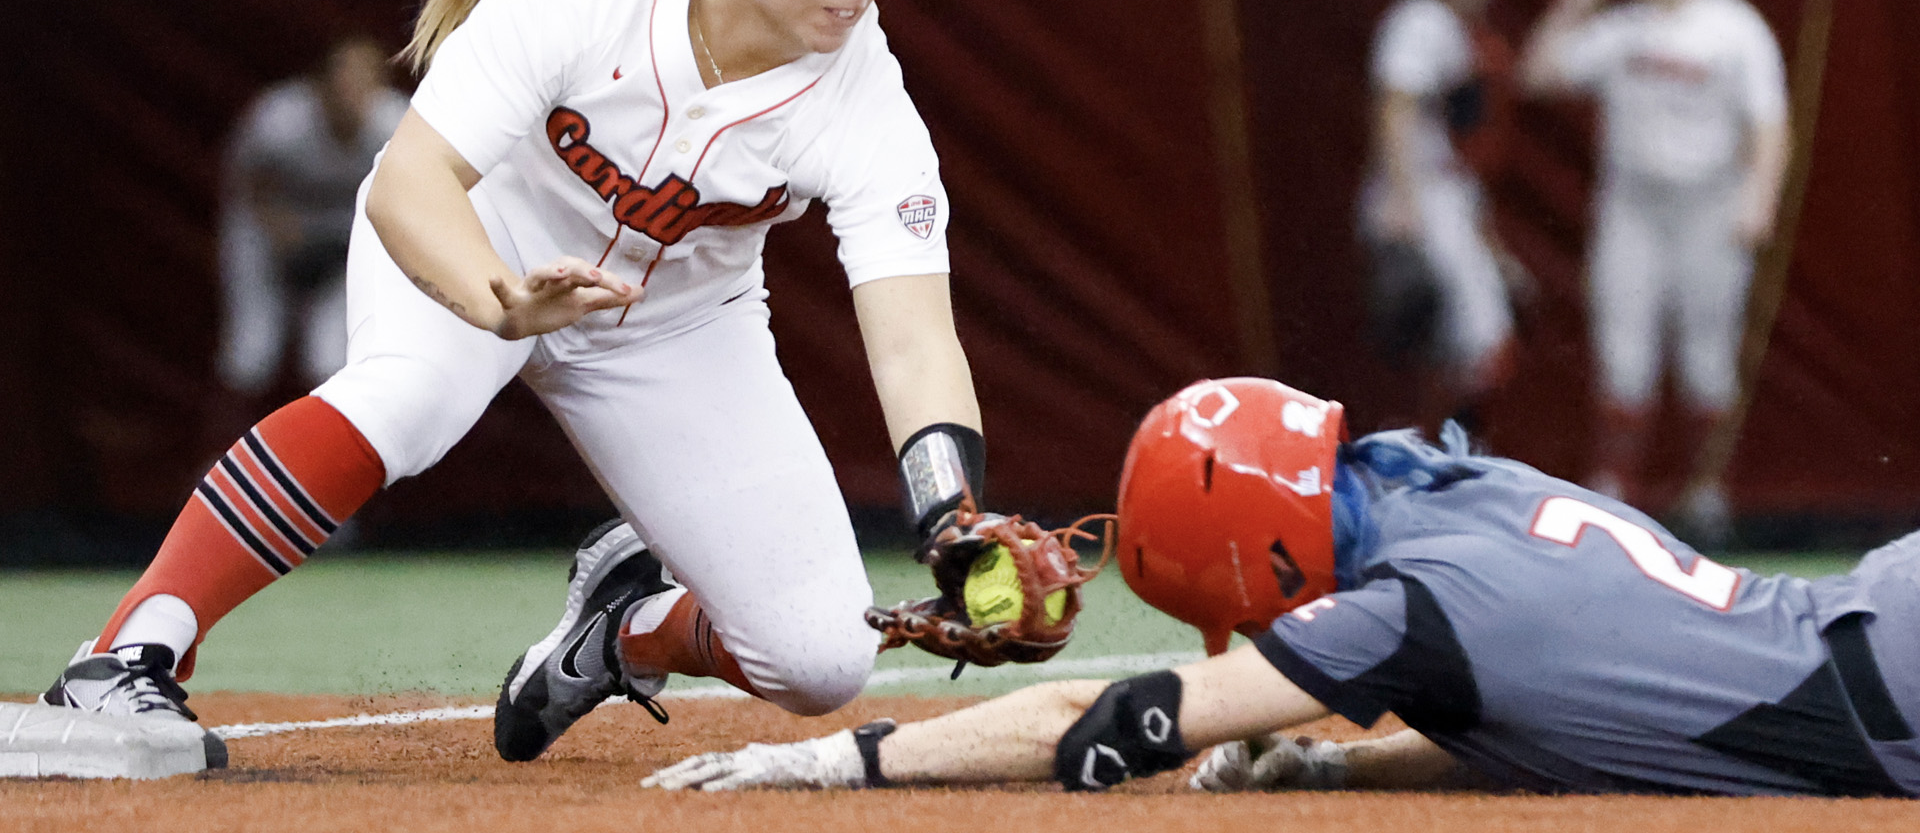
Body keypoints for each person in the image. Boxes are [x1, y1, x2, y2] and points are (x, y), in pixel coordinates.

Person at [37, 0, 995, 770]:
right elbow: (413, 185)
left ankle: (623, 631)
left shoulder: (865, 103)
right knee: (410, 396)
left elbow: (916, 338)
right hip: (473, 237)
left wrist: (955, 520)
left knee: (821, 662)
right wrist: (499, 297)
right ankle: (123, 656)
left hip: (673, 326)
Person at [644, 377, 1920, 798]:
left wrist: (837, 763)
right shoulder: (1457, 489)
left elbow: (1104, 724)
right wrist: (1340, 768)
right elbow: (1557, 710)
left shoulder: (1405, 612)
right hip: (1877, 623)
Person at [1519, 0, 1790, 545]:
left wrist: (1760, 196)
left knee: (1706, 363)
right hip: (1633, 211)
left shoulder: (1735, 28)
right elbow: (1536, 74)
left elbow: (1770, 124)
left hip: (1709, 211)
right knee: (1623, 359)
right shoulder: (1624, 29)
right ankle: (1614, 494)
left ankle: (1706, 494)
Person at [1360, 0, 1523, 432]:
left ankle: (1448, 459)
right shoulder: (1419, 20)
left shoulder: (1470, 36)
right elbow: (1394, 106)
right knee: (1457, 337)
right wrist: (1402, 200)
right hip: (1417, 191)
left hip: (1452, 197)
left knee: (1482, 345)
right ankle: (1425, 458)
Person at [218, 37, 408, 396]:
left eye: (365, 81)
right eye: (345, 79)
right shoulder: (280, 119)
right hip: (270, 226)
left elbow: (408, 203)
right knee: (251, 353)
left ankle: (310, 450)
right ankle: (221, 443)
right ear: (320, 84)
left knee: (329, 360)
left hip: (347, 235)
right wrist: (282, 231)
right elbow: (250, 186)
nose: (353, 92)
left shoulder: (396, 126)